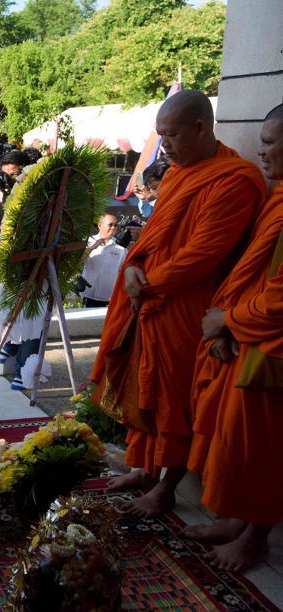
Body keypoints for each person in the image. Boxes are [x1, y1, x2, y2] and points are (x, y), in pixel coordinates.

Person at [91, 90, 266, 518]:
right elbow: (154, 237)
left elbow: (204, 253)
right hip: (149, 296)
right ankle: (145, 468)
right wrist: (133, 266)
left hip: (187, 304)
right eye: (160, 135)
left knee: (173, 396)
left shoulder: (235, 179)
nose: (164, 144)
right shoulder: (175, 174)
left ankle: (167, 485)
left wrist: (145, 283)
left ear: (200, 128)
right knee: (143, 389)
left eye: (171, 135)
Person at [182, 104, 283, 572]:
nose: (261, 151)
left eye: (270, 142)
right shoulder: (277, 198)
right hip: (247, 333)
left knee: (264, 448)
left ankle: (255, 537)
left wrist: (229, 320)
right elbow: (254, 271)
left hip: (270, 348)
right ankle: (239, 521)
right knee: (234, 440)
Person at [79, 214, 127, 307]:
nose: (113, 228)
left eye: (115, 225)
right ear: (100, 225)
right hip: (87, 295)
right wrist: (92, 247)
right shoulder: (88, 241)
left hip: (109, 298)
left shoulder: (121, 248)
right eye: (110, 224)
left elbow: (123, 273)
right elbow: (78, 262)